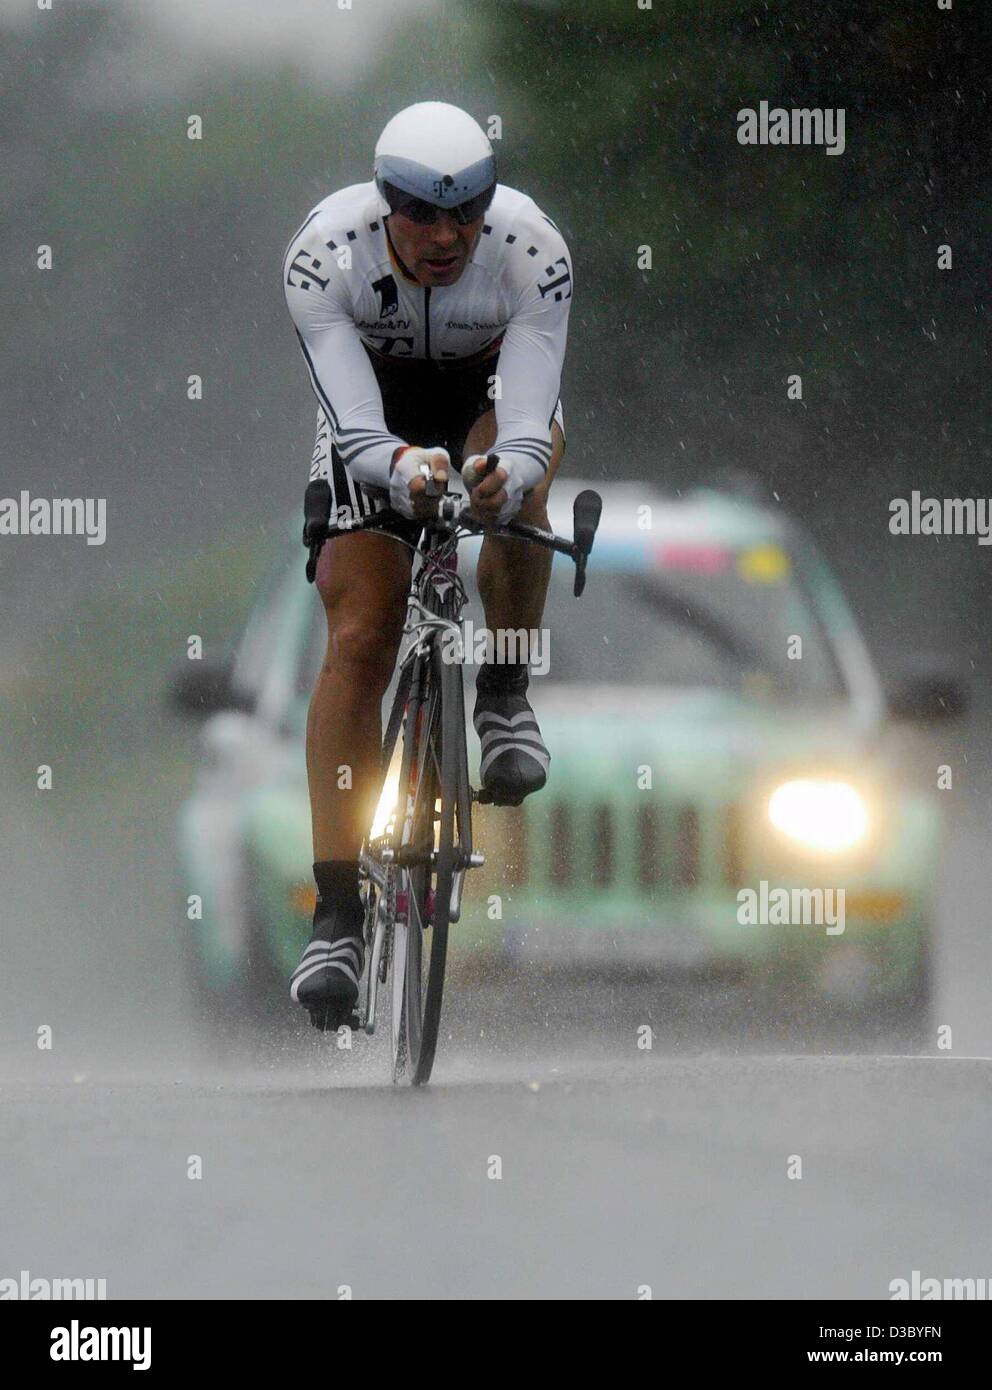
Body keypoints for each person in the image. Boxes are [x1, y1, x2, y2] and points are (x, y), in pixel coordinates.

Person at [283, 101, 573, 1029]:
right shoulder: (324, 254)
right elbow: (355, 426)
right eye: (421, 213)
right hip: (379, 420)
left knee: (523, 499)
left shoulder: (533, 251)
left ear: (490, 205)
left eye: (466, 213)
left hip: (488, 404)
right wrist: (404, 469)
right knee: (361, 633)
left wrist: (504, 475)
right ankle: (336, 911)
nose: (446, 236)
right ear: (384, 202)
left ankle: (502, 690)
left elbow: (529, 420)